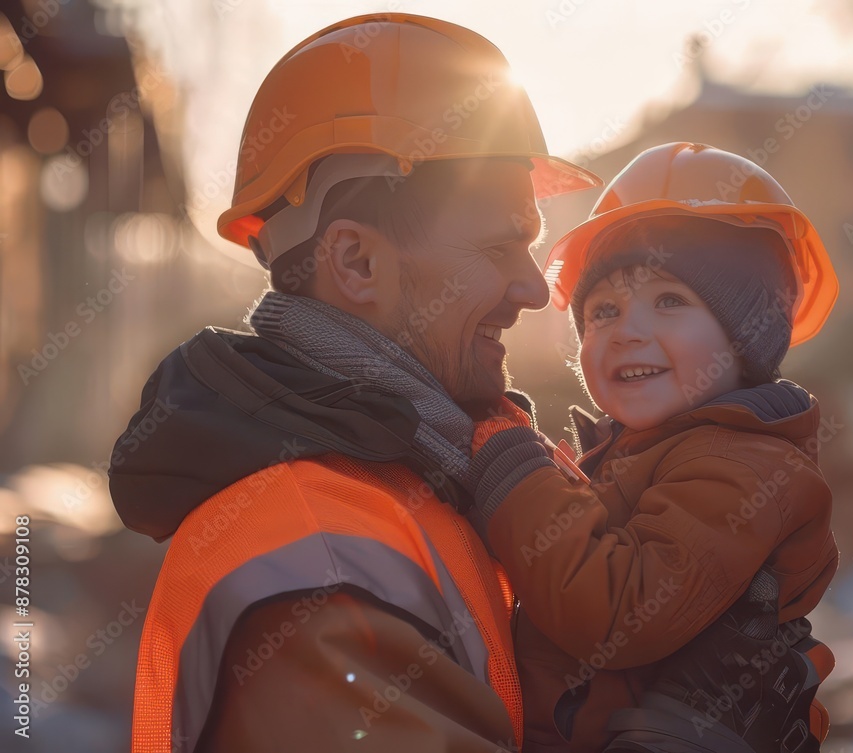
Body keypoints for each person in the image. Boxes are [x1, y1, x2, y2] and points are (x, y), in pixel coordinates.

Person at [107, 14, 601, 753]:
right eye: (500, 246)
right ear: (357, 262)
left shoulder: (436, 478)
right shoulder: (319, 567)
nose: (536, 288)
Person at [458, 142, 841, 752]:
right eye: (602, 311)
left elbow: (617, 613)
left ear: (747, 339)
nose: (627, 331)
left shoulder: (744, 466)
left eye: (670, 301)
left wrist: (514, 470)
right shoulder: (645, 454)